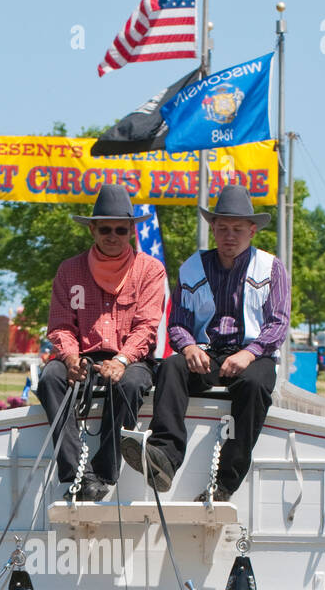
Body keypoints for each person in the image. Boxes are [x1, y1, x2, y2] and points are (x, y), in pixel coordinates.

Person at [121, 185, 290, 503]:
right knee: (172, 366)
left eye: (237, 229)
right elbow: (177, 323)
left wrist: (248, 354)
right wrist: (188, 348)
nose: (229, 236)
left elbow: (278, 324)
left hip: (254, 356)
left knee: (254, 386)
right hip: (207, 352)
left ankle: (226, 481)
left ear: (252, 230)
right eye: (222, 228)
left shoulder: (271, 268)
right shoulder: (192, 266)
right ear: (213, 228)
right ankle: (164, 457)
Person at [36, 184, 166, 503]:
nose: (113, 235)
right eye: (105, 228)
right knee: (49, 379)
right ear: (92, 229)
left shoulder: (150, 270)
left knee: (133, 384)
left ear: (131, 230)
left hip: (131, 358)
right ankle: (77, 474)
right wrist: (70, 358)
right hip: (82, 356)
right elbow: (61, 325)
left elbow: (147, 326)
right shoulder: (69, 270)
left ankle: (105, 470)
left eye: (120, 229)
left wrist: (121, 361)